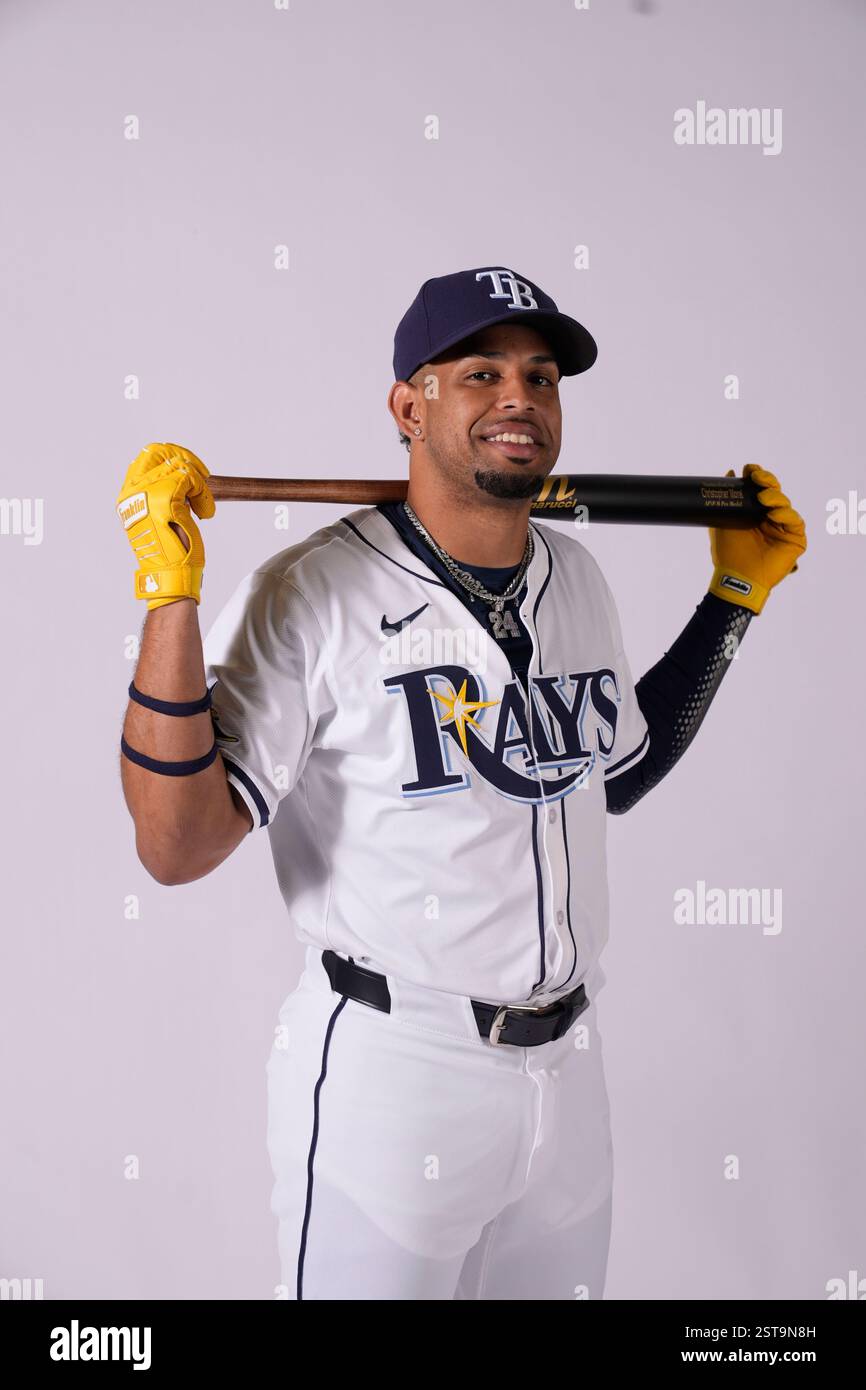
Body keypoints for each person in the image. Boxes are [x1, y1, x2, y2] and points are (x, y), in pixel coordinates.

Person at [116, 266, 806, 1300]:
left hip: (568, 1078)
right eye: (478, 372)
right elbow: (175, 845)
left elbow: (612, 770)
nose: (518, 396)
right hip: (395, 1072)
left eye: (540, 375)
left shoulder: (572, 576)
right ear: (409, 404)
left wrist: (732, 596)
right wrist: (170, 599)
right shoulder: (312, 593)